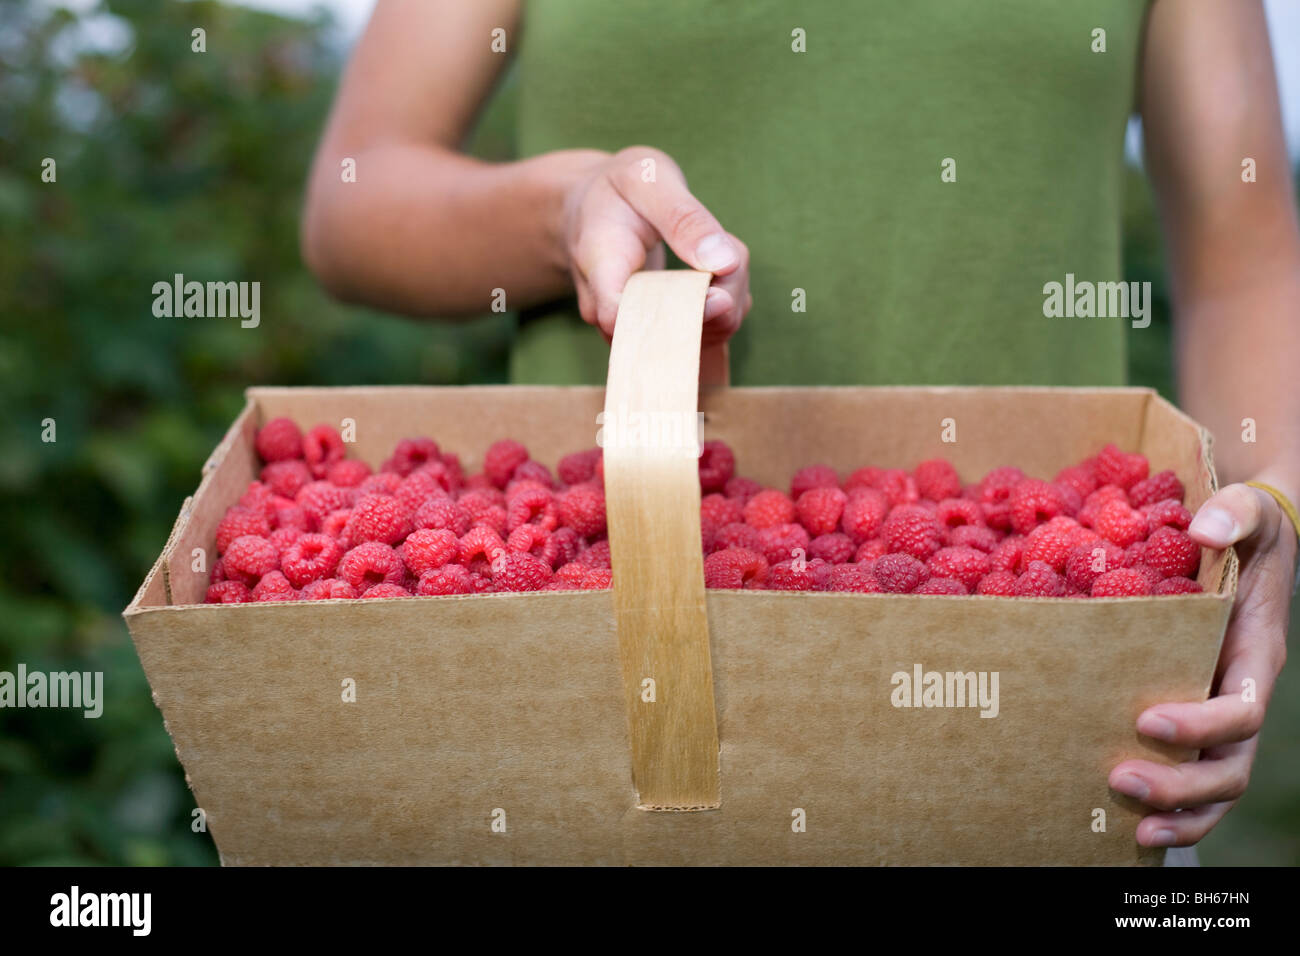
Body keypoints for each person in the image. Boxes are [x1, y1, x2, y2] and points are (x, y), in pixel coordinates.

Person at [301, 0, 1299, 856]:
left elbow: (1243, 257)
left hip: (1038, 667)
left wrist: (1270, 504)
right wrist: (560, 210)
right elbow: (356, 195)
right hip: (615, 617)